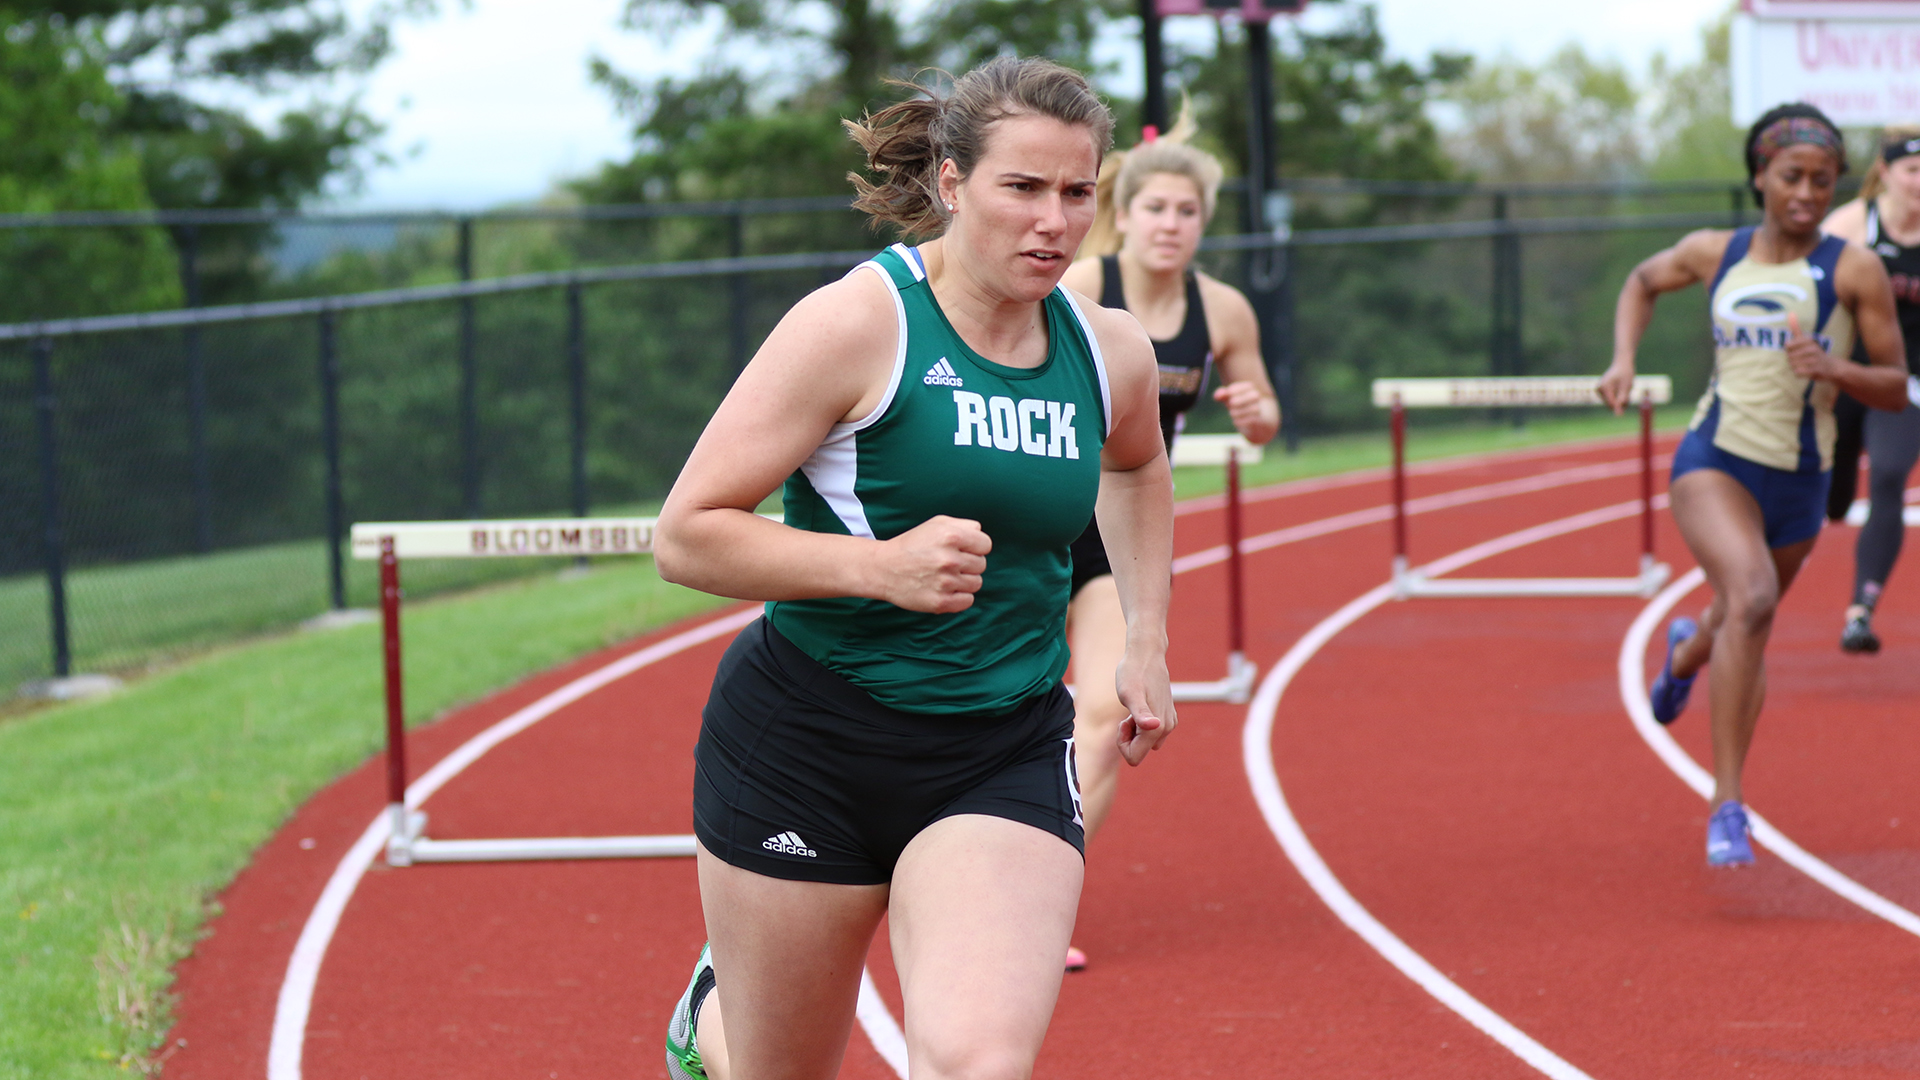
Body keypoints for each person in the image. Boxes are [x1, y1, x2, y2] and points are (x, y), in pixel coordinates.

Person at [651, 57, 1177, 1080]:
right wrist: (876, 568)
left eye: (1077, 193)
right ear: (950, 183)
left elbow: (1141, 466)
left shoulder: (1109, 350)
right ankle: (711, 1015)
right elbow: (687, 534)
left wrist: (1147, 638)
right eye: (1021, 188)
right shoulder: (858, 325)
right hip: (812, 737)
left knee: (978, 1063)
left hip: (1002, 745)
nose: (1054, 222)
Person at [1600, 102, 1910, 868]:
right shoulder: (1717, 252)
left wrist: (1836, 369)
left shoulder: (1853, 267)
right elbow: (1641, 281)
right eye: (1791, 177)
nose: (1806, 193)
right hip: (1717, 460)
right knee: (1754, 601)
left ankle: (1683, 655)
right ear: (1759, 178)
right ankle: (1727, 805)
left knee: (1735, 615)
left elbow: (1897, 385)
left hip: (1801, 478)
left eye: (1822, 179)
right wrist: (1621, 360)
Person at [1054, 114, 1278, 970]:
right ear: (1127, 210)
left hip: (1122, 534)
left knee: (1110, 708)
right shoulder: (1077, 284)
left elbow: (1261, 417)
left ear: (1202, 221)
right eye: (1155, 207)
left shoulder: (1220, 309)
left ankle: (1043, 894)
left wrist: (1258, 416)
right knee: (995, 704)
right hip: (1036, 523)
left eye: (1187, 210)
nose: (1170, 224)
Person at [1820, 125, 1920, 654]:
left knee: (1886, 476)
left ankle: (1861, 610)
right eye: (1913, 171)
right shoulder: (1852, 225)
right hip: (1843, 377)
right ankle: (1832, 499)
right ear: (1885, 173)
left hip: (1902, 387)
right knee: (1832, 500)